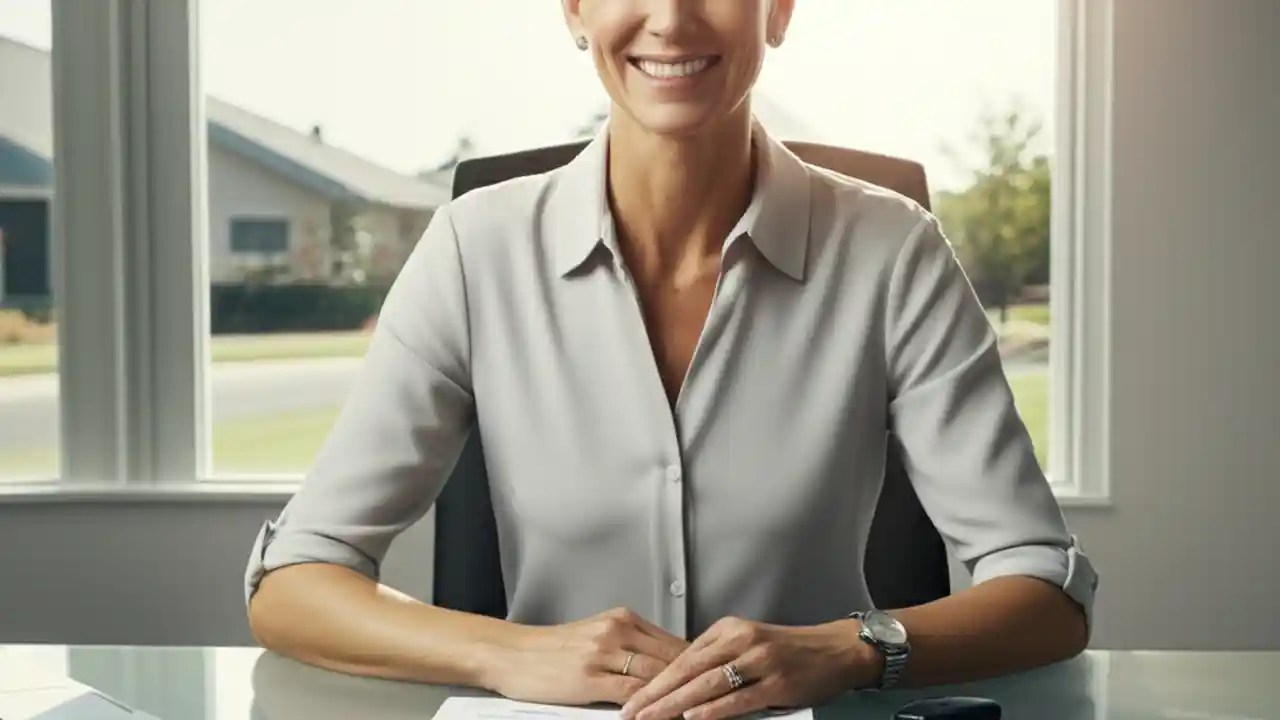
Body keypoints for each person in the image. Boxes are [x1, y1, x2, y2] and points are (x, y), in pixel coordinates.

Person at [244, 1, 1098, 718]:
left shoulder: (893, 252)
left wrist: (848, 648)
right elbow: (292, 583)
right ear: (576, 11)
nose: (671, 19)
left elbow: (1048, 592)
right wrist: (509, 652)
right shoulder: (475, 249)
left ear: (779, 11)